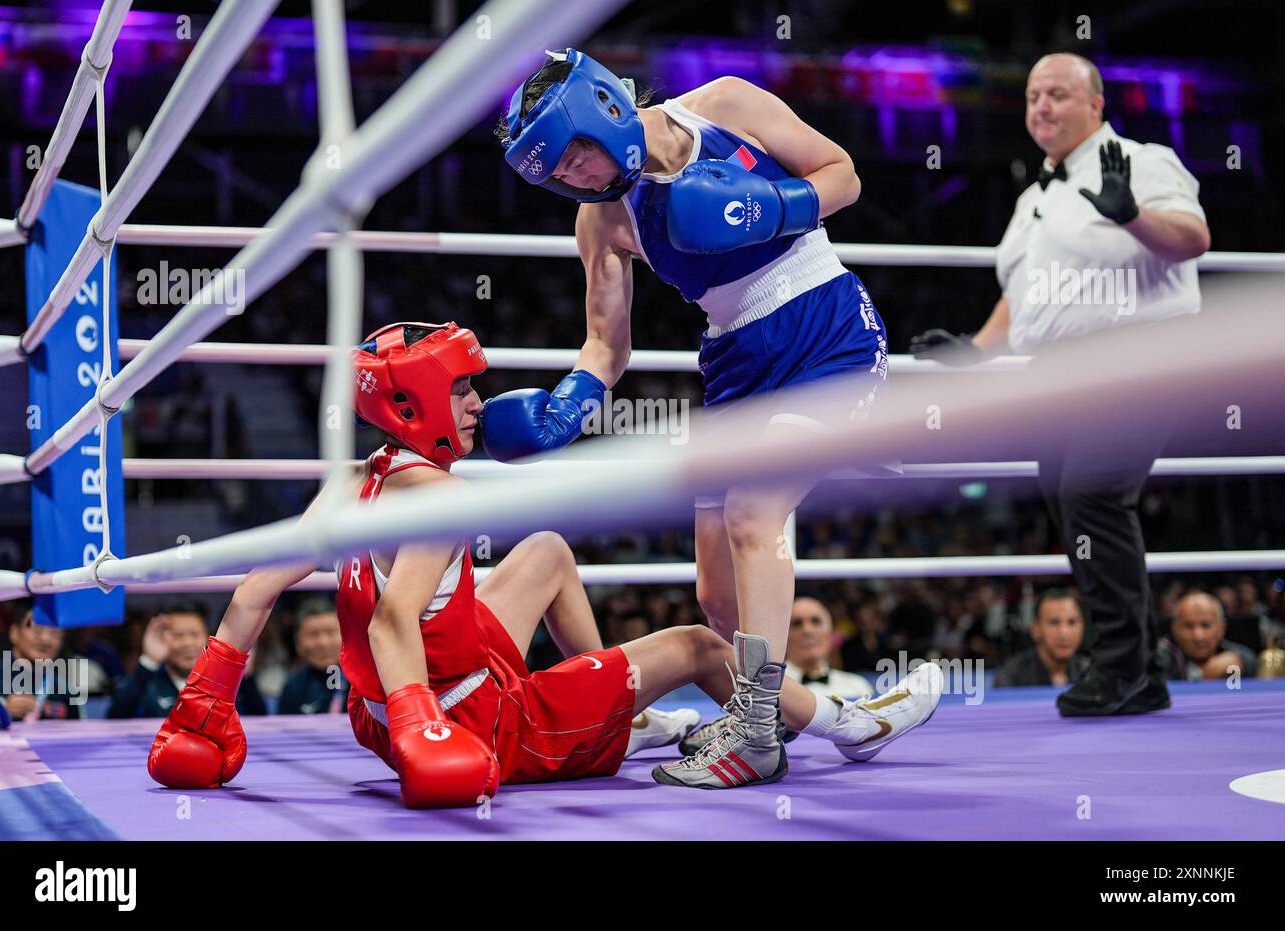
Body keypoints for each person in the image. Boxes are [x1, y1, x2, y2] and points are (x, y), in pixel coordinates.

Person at [145, 322, 940, 807]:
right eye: (461, 390)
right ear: (417, 401)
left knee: (549, 551)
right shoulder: (429, 498)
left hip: (390, 706)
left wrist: (203, 706)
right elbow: (393, 621)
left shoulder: (357, 477)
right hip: (475, 720)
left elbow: (256, 588)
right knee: (700, 644)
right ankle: (848, 725)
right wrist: (427, 731)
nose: (477, 406)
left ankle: (616, 721)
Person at [490, 48, 894, 788]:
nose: (574, 178)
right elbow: (606, 346)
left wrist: (766, 207)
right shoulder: (603, 221)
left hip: (826, 331)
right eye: (557, 174)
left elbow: (844, 174)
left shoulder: (727, 106)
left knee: (754, 512)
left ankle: (757, 732)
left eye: (574, 156)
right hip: (735, 367)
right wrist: (569, 402)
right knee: (715, 592)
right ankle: (820, 717)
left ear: (605, 110)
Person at [911, 52, 1210, 717]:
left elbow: (1193, 239)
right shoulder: (1032, 200)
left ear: (1096, 104)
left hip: (1138, 358)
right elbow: (1024, 302)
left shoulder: (1141, 160)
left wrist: (1132, 215)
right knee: (1073, 506)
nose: (1041, 106)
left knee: (1093, 495)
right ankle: (1142, 669)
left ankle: (1120, 666)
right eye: (1033, 96)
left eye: (1058, 94)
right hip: (1056, 375)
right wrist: (973, 350)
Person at [109, 603, 266, 719]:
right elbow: (114, 718)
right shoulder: (150, 684)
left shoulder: (224, 685)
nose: (188, 643)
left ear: (208, 638)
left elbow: (260, 721)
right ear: (163, 639)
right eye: (178, 635)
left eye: (194, 634)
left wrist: (242, 678)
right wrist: (149, 662)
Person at [993, 589, 1090, 687]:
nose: (1064, 633)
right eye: (1054, 623)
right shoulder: (1011, 677)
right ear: (1036, 629)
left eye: (1072, 622)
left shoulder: (1091, 673)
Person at [784, 595, 871, 698]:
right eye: (797, 623)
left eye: (816, 621)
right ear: (783, 636)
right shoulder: (768, 689)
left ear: (829, 634)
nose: (807, 630)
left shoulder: (857, 687)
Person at [1160, 591, 1258, 681]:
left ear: (1221, 629)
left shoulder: (1238, 658)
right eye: (1189, 626)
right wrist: (1204, 676)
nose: (1198, 636)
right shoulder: (1158, 659)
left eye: (1206, 625)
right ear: (1175, 629)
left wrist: (1239, 664)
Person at [278, 599, 349, 714]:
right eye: (313, 634)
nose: (323, 643)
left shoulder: (364, 681)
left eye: (331, 632)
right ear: (298, 643)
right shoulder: (294, 687)